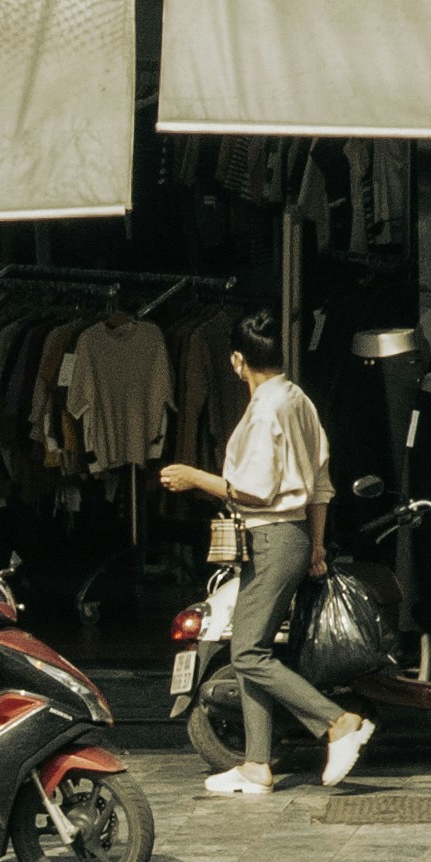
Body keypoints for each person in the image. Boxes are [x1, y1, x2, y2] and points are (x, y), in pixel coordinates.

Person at [159, 311, 372, 800]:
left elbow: (251, 491)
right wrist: (316, 544)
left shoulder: (265, 411)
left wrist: (194, 477)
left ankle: (338, 723)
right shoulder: (298, 399)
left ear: (238, 361)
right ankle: (256, 764)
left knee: (249, 652)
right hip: (294, 536)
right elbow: (321, 483)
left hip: (272, 537)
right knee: (252, 647)